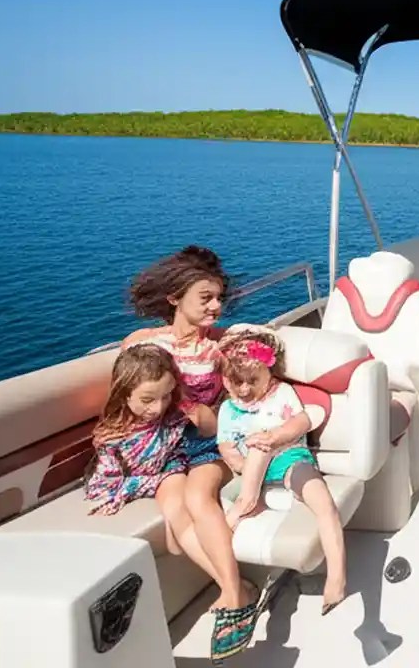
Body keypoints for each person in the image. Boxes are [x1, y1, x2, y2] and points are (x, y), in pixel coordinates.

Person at [122, 246, 260, 659]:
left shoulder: (222, 347)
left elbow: (243, 402)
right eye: (206, 298)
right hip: (164, 448)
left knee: (199, 497)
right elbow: (128, 396)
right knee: (174, 513)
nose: (216, 306)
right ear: (174, 298)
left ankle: (232, 596)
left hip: (209, 442)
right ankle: (241, 588)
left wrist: (210, 417)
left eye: (219, 298)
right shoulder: (143, 344)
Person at [213, 326, 348, 616]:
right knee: (255, 452)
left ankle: (336, 576)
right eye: (237, 382)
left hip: (288, 460)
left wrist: (274, 437)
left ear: (269, 373)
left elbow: (301, 422)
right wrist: (241, 464)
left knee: (323, 502)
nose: (245, 389)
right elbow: (227, 447)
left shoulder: (281, 393)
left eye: (253, 381)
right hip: (250, 471)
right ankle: (230, 584)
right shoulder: (228, 409)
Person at [85, 344, 190, 516]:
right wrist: (160, 480)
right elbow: (106, 486)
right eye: (147, 400)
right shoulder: (112, 438)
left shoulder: (174, 420)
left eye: (166, 396)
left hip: (171, 480)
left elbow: (180, 453)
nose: (158, 408)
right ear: (125, 395)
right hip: (157, 483)